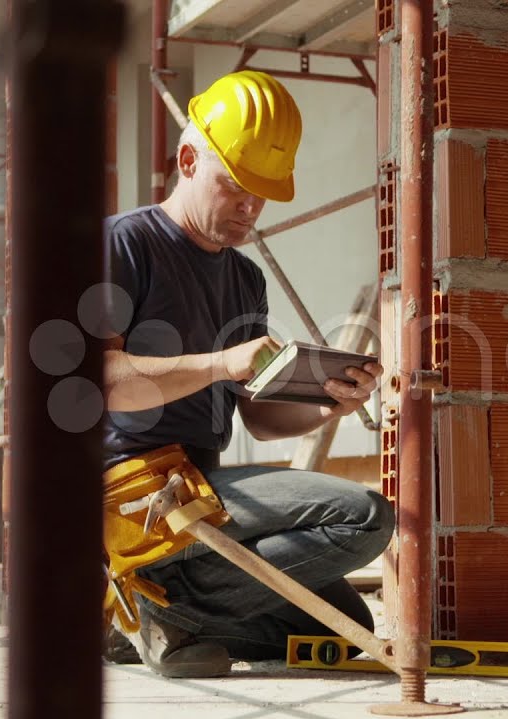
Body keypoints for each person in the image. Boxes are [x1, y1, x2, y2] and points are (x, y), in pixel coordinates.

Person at [98, 70, 393, 679]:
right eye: (236, 188)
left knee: (340, 632)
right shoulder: (124, 244)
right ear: (187, 160)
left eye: (263, 195)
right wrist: (219, 363)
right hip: (134, 493)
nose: (250, 209)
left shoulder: (243, 278)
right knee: (364, 515)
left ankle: (150, 612)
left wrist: (327, 405)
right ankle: (151, 595)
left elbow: (257, 417)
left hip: (203, 488)